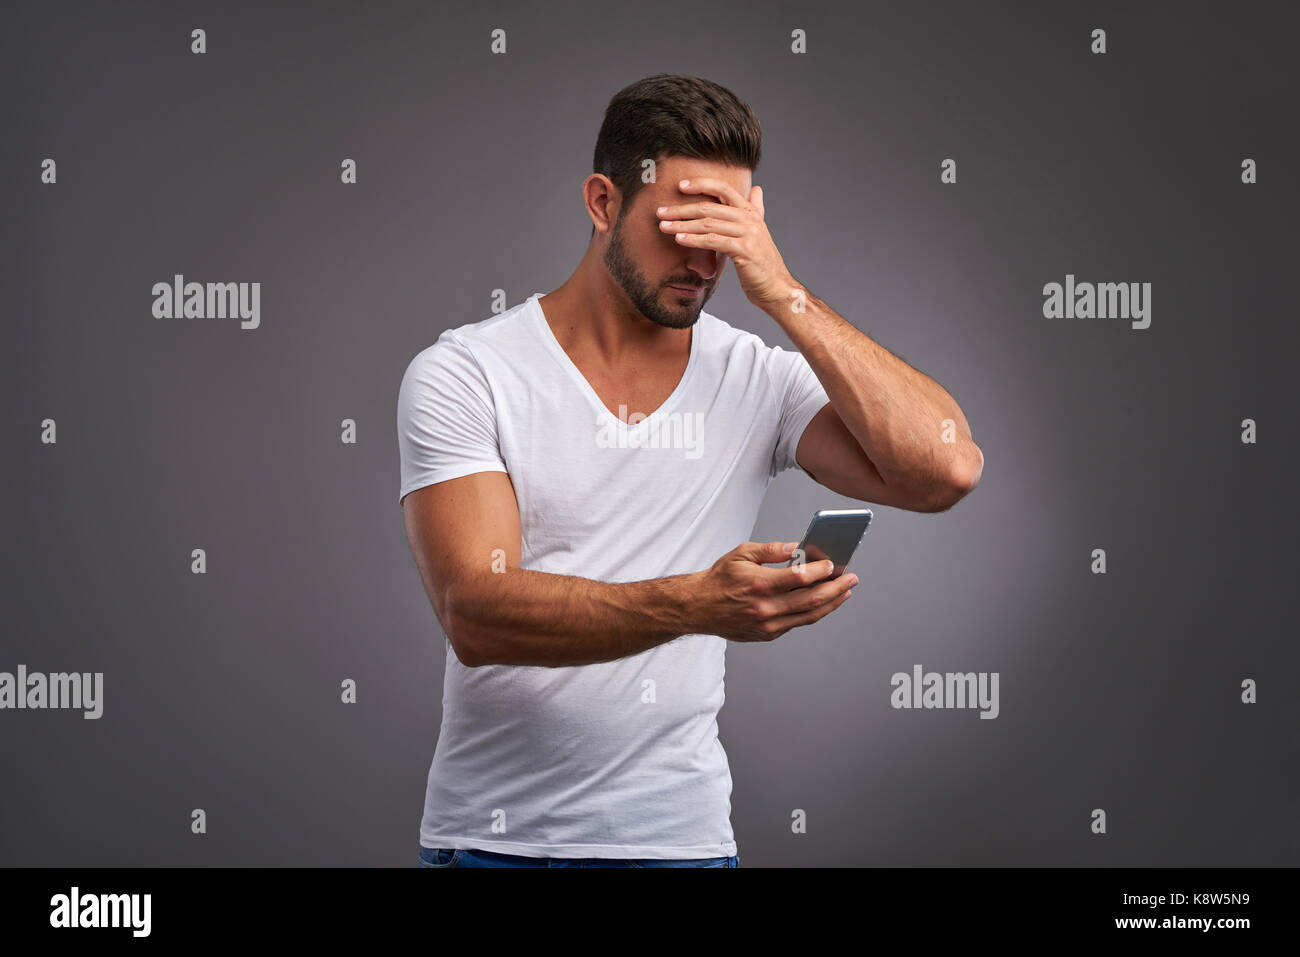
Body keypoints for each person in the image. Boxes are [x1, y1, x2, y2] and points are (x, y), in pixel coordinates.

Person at [397, 74, 983, 868]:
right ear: (603, 203)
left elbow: (946, 467)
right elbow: (476, 614)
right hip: (489, 843)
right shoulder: (467, 372)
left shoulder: (757, 377)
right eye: (683, 222)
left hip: (680, 843)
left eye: (727, 229)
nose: (706, 259)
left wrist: (784, 294)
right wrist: (697, 603)